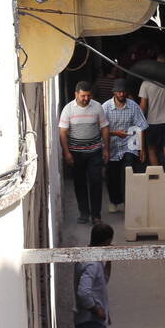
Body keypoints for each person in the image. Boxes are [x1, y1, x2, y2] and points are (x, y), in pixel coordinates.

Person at [59, 81, 109, 224]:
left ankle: (96, 215)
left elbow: (104, 127)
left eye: (88, 96)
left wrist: (106, 149)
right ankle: (84, 213)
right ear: (76, 94)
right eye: (83, 96)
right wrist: (67, 153)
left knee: (96, 182)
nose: (86, 99)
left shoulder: (97, 107)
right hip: (76, 154)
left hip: (95, 152)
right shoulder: (68, 109)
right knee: (79, 183)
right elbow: (63, 132)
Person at [102, 80, 148, 212]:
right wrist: (115, 133)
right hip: (111, 146)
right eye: (119, 92)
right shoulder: (105, 108)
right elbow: (100, 129)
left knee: (128, 171)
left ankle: (129, 201)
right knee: (112, 175)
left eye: (123, 92)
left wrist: (142, 149)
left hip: (129, 144)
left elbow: (141, 127)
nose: (121, 94)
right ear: (114, 93)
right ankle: (114, 201)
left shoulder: (133, 106)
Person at [138, 53, 165, 173]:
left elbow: (143, 106)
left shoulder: (146, 83)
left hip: (152, 122)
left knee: (151, 150)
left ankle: (158, 178)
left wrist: (138, 119)